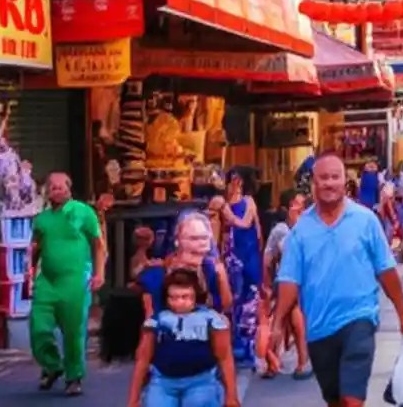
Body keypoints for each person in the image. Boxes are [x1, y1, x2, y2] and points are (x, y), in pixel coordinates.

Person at [272, 153, 403, 407]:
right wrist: (276, 325)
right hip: (319, 328)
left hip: (359, 319)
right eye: (323, 178)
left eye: (335, 177)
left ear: (345, 182)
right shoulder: (301, 230)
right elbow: (289, 281)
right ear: (314, 184)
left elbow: (386, 270)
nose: (329, 183)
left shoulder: (365, 221)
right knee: (336, 400)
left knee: (352, 400)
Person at [26, 172, 107, 395]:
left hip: (75, 279)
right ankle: (52, 366)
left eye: (62, 186)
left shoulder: (83, 212)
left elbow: (98, 245)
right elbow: (36, 249)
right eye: (52, 186)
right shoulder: (41, 219)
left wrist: (99, 273)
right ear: (46, 191)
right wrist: (30, 274)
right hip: (47, 282)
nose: (57, 189)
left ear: (70, 189)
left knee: (73, 331)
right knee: (38, 328)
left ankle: (74, 377)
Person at [126, 268, 241, 407]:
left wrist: (231, 396)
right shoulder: (156, 321)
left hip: (201, 381)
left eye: (185, 296)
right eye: (173, 297)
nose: (179, 302)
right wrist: (133, 399)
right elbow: (142, 360)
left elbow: (225, 357)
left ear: (195, 297)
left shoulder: (212, 320)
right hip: (163, 381)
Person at [261, 189, 312, 380]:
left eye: (301, 205)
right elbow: (268, 257)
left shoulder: (310, 228)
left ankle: (279, 362)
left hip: (304, 280)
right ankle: (297, 360)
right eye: (294, 205)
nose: (299, 208)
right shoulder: (281, 230)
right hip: (284, 280)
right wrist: (265, 284)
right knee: (283, 318)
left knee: (284, 319)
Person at [220, 168, 263, 365]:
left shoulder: (248, 201)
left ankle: (249, 346)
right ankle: (237, 343)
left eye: (237, 180)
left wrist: (227, 214)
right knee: (234, 299)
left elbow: (248, 224)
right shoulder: (224, 204)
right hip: (233, 255)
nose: (234, 184)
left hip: (248, 252)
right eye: (231, 180)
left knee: (251, 297)